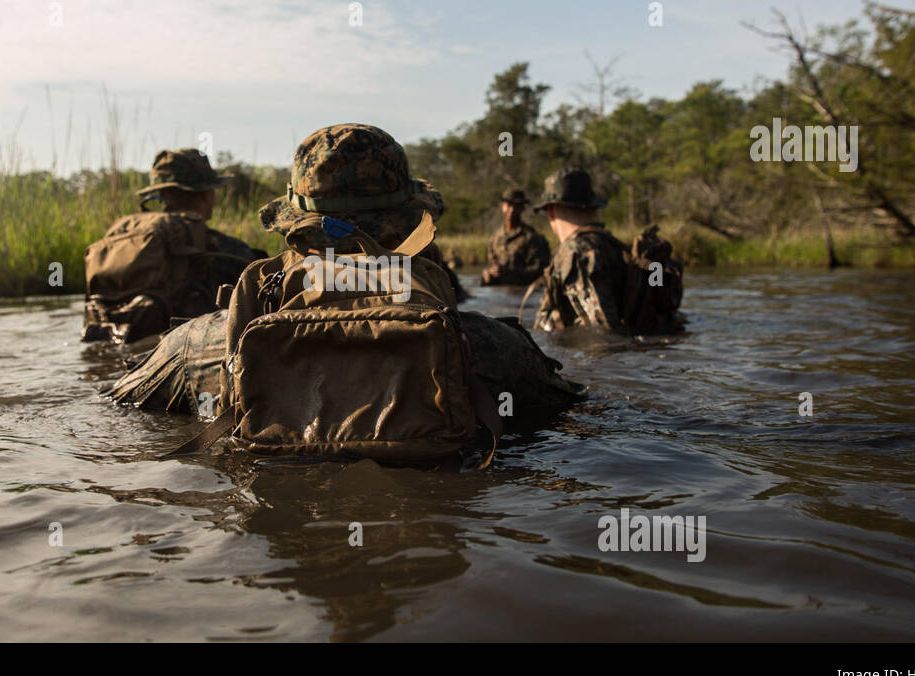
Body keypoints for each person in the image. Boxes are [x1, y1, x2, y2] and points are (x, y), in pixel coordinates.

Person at [108, 124, 585, 447]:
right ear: (410, 224)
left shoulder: (197, 347)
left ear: (293, 225)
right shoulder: (490, 349)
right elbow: (582, 422)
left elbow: (116, 410)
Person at [81, 149, 266, 344]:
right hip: (175, 348)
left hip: (108, 343)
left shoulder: (121, 233)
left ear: (159, 194)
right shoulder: (219, 246)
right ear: (204, 194)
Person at [531, 167, 683, 334]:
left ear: (551, 212)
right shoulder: (612, 245)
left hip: (606, 355)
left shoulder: (577, 252)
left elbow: (601, 332)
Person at [481, 187, 550, 286]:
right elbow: (491, 264)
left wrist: (509, 273)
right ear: (502, 206)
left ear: (522, 208)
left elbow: (539, 272)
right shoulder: (495, 238)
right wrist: (487, 273)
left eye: (516, 206)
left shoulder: (532, 237)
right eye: (509, 205)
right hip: (498, 295)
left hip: (522, 294)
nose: (512, 210)